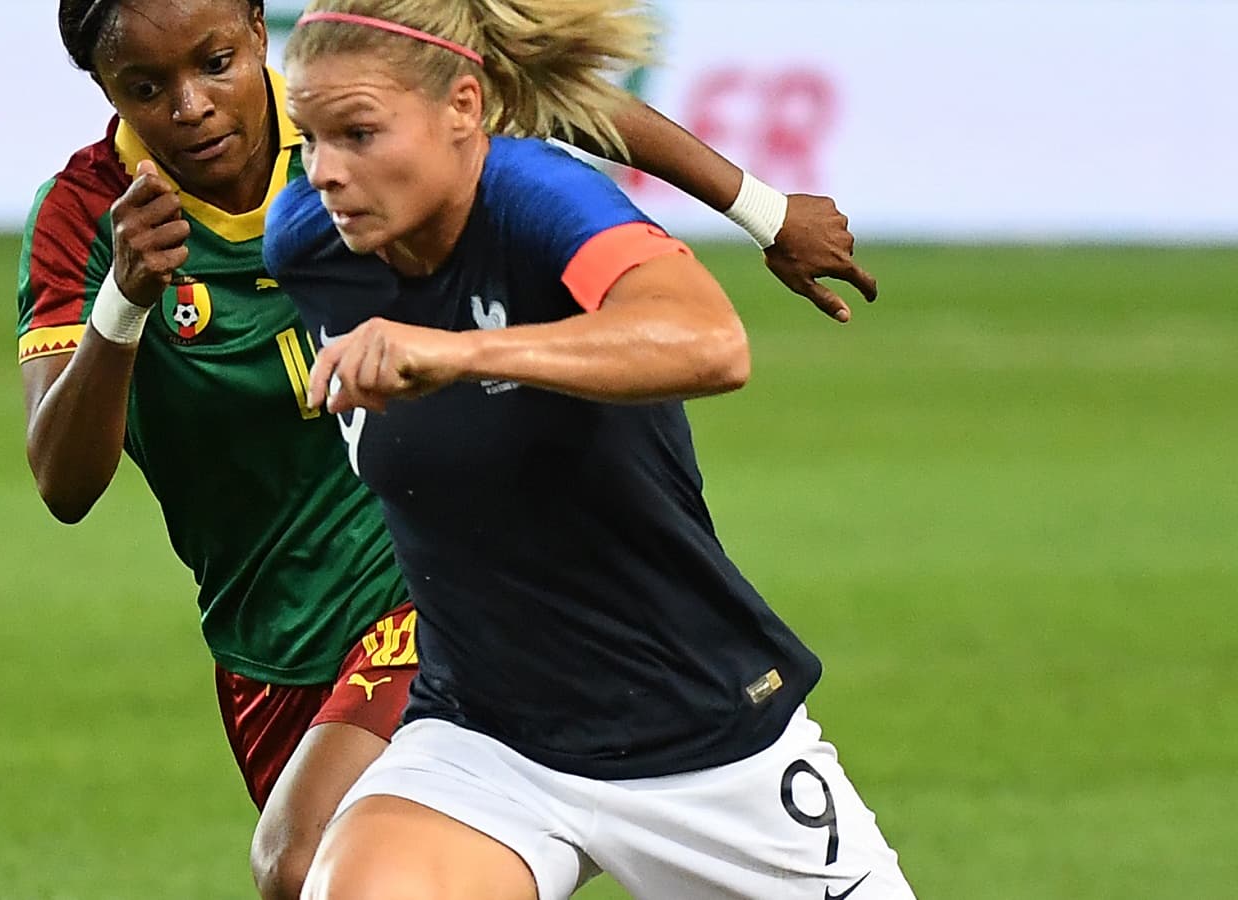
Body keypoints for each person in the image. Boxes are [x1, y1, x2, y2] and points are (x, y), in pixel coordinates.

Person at [22, 1, 878, 897]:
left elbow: (693, 314)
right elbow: (65, 482)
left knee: (300, 859)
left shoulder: (448, 153)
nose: (193, 105)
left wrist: (764, 210)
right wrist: (121, 303)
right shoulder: (277, 229)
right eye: (149, 88)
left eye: (218, 63)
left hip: (559, 661)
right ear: (105, 90)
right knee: (316, 877)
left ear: (254, 30)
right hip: (327, 645)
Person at [262, 2, 913, 898]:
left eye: (360, 133)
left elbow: (712, 343)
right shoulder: (310, 245)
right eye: (310, 139)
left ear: (463, 109)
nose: (327, 173)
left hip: (705, 741)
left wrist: (455, 356)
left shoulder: (532, 195)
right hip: (488, 738)